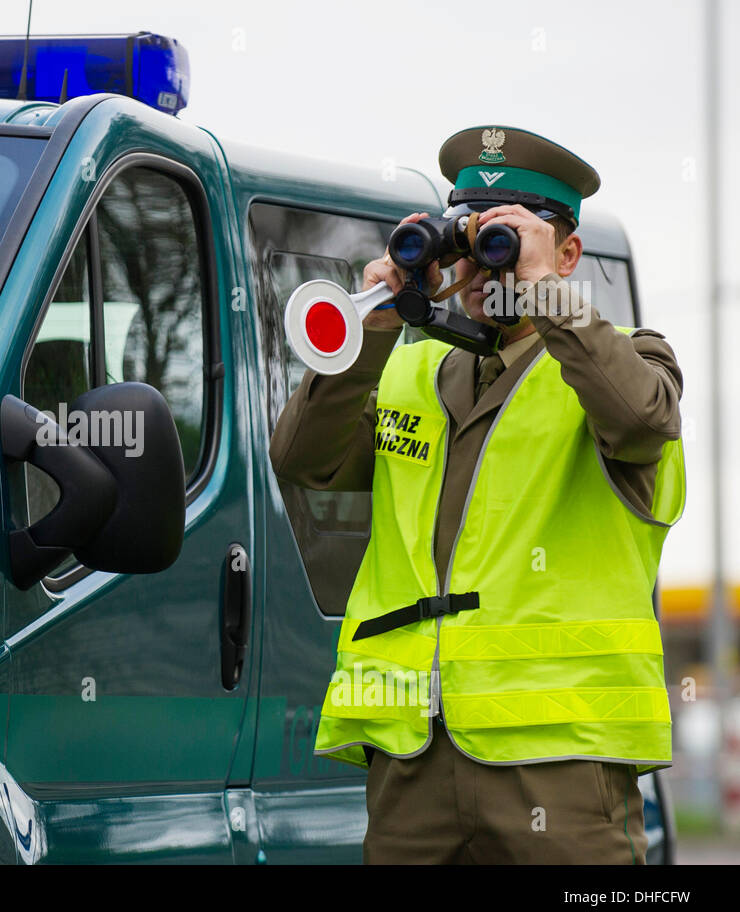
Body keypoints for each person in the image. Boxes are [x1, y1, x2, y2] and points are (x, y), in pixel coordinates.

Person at [270, 126, 686, 864]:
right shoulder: (409, 368)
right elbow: (304, 460)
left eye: (510, 239)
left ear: (567, 255)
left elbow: (640, 421)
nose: (484, 266)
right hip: (412, 757)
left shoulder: (626, 357)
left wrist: (545, 294)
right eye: (473, 242)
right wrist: (373, 323)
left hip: (562, 766)